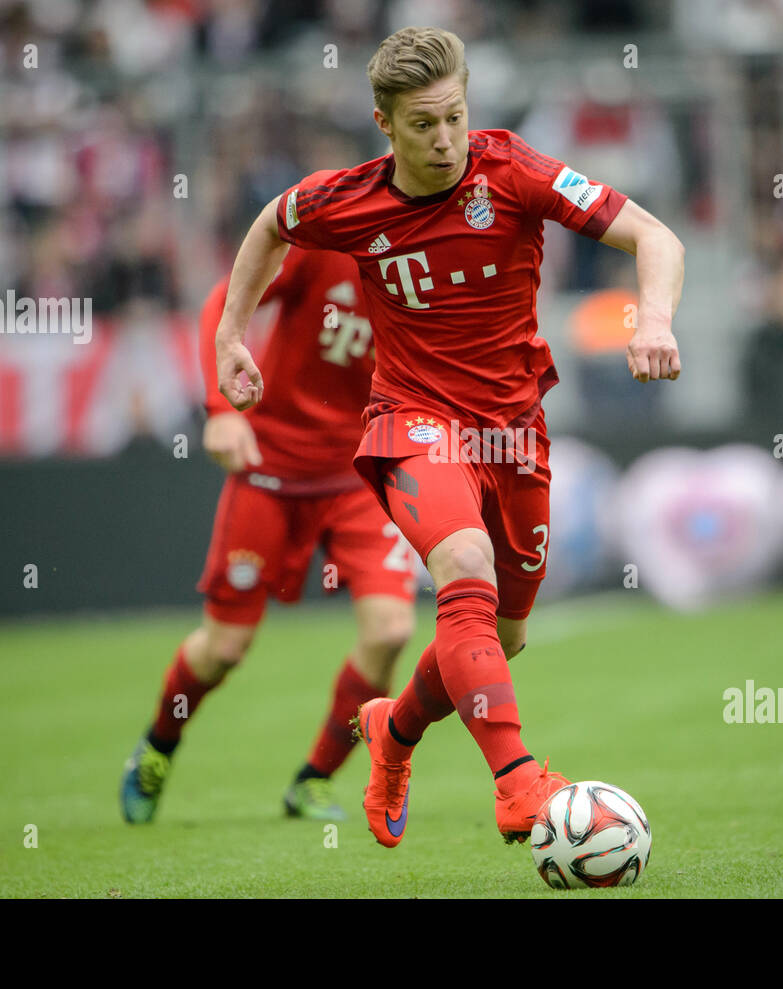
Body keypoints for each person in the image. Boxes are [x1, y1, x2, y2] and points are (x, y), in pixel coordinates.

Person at [214, 27, 684, 847]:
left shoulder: (516, 173)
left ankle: (393, 731)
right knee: (460, 564)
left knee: (502, 635)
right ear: (383, 123)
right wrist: (230, 336)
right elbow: (269, 226)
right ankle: (516, 780)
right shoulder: (347, 200)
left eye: (455, 117)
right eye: (423, 123)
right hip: (412, 420)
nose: (444, 140)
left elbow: (657, 237)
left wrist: (655, 319)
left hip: (514, 433)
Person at [120, 246, 417, 824]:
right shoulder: (325, 239)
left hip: (360, 474)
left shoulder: (434, 260)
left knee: (391, 630)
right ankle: (158, 746)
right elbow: (224, 299)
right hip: (268, 469)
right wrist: (220, 408)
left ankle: (313, 781)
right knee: (224, 647)